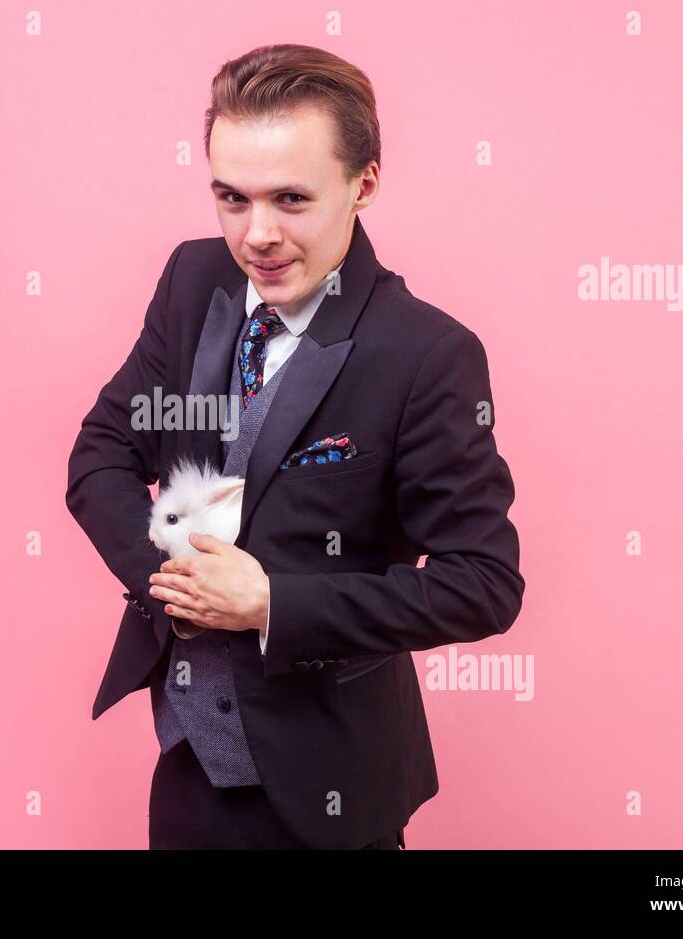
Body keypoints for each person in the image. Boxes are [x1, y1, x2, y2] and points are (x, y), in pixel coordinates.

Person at [65, 43, 525, 849]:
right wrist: (172, 578)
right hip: (186, 767)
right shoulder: (191, 281)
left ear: (365, 185)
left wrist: (271, 604)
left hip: (331, 792)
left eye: (290, 199)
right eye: (231, 199)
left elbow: (483, 583)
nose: (259, 235)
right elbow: (102, 452)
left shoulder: (424, 355)